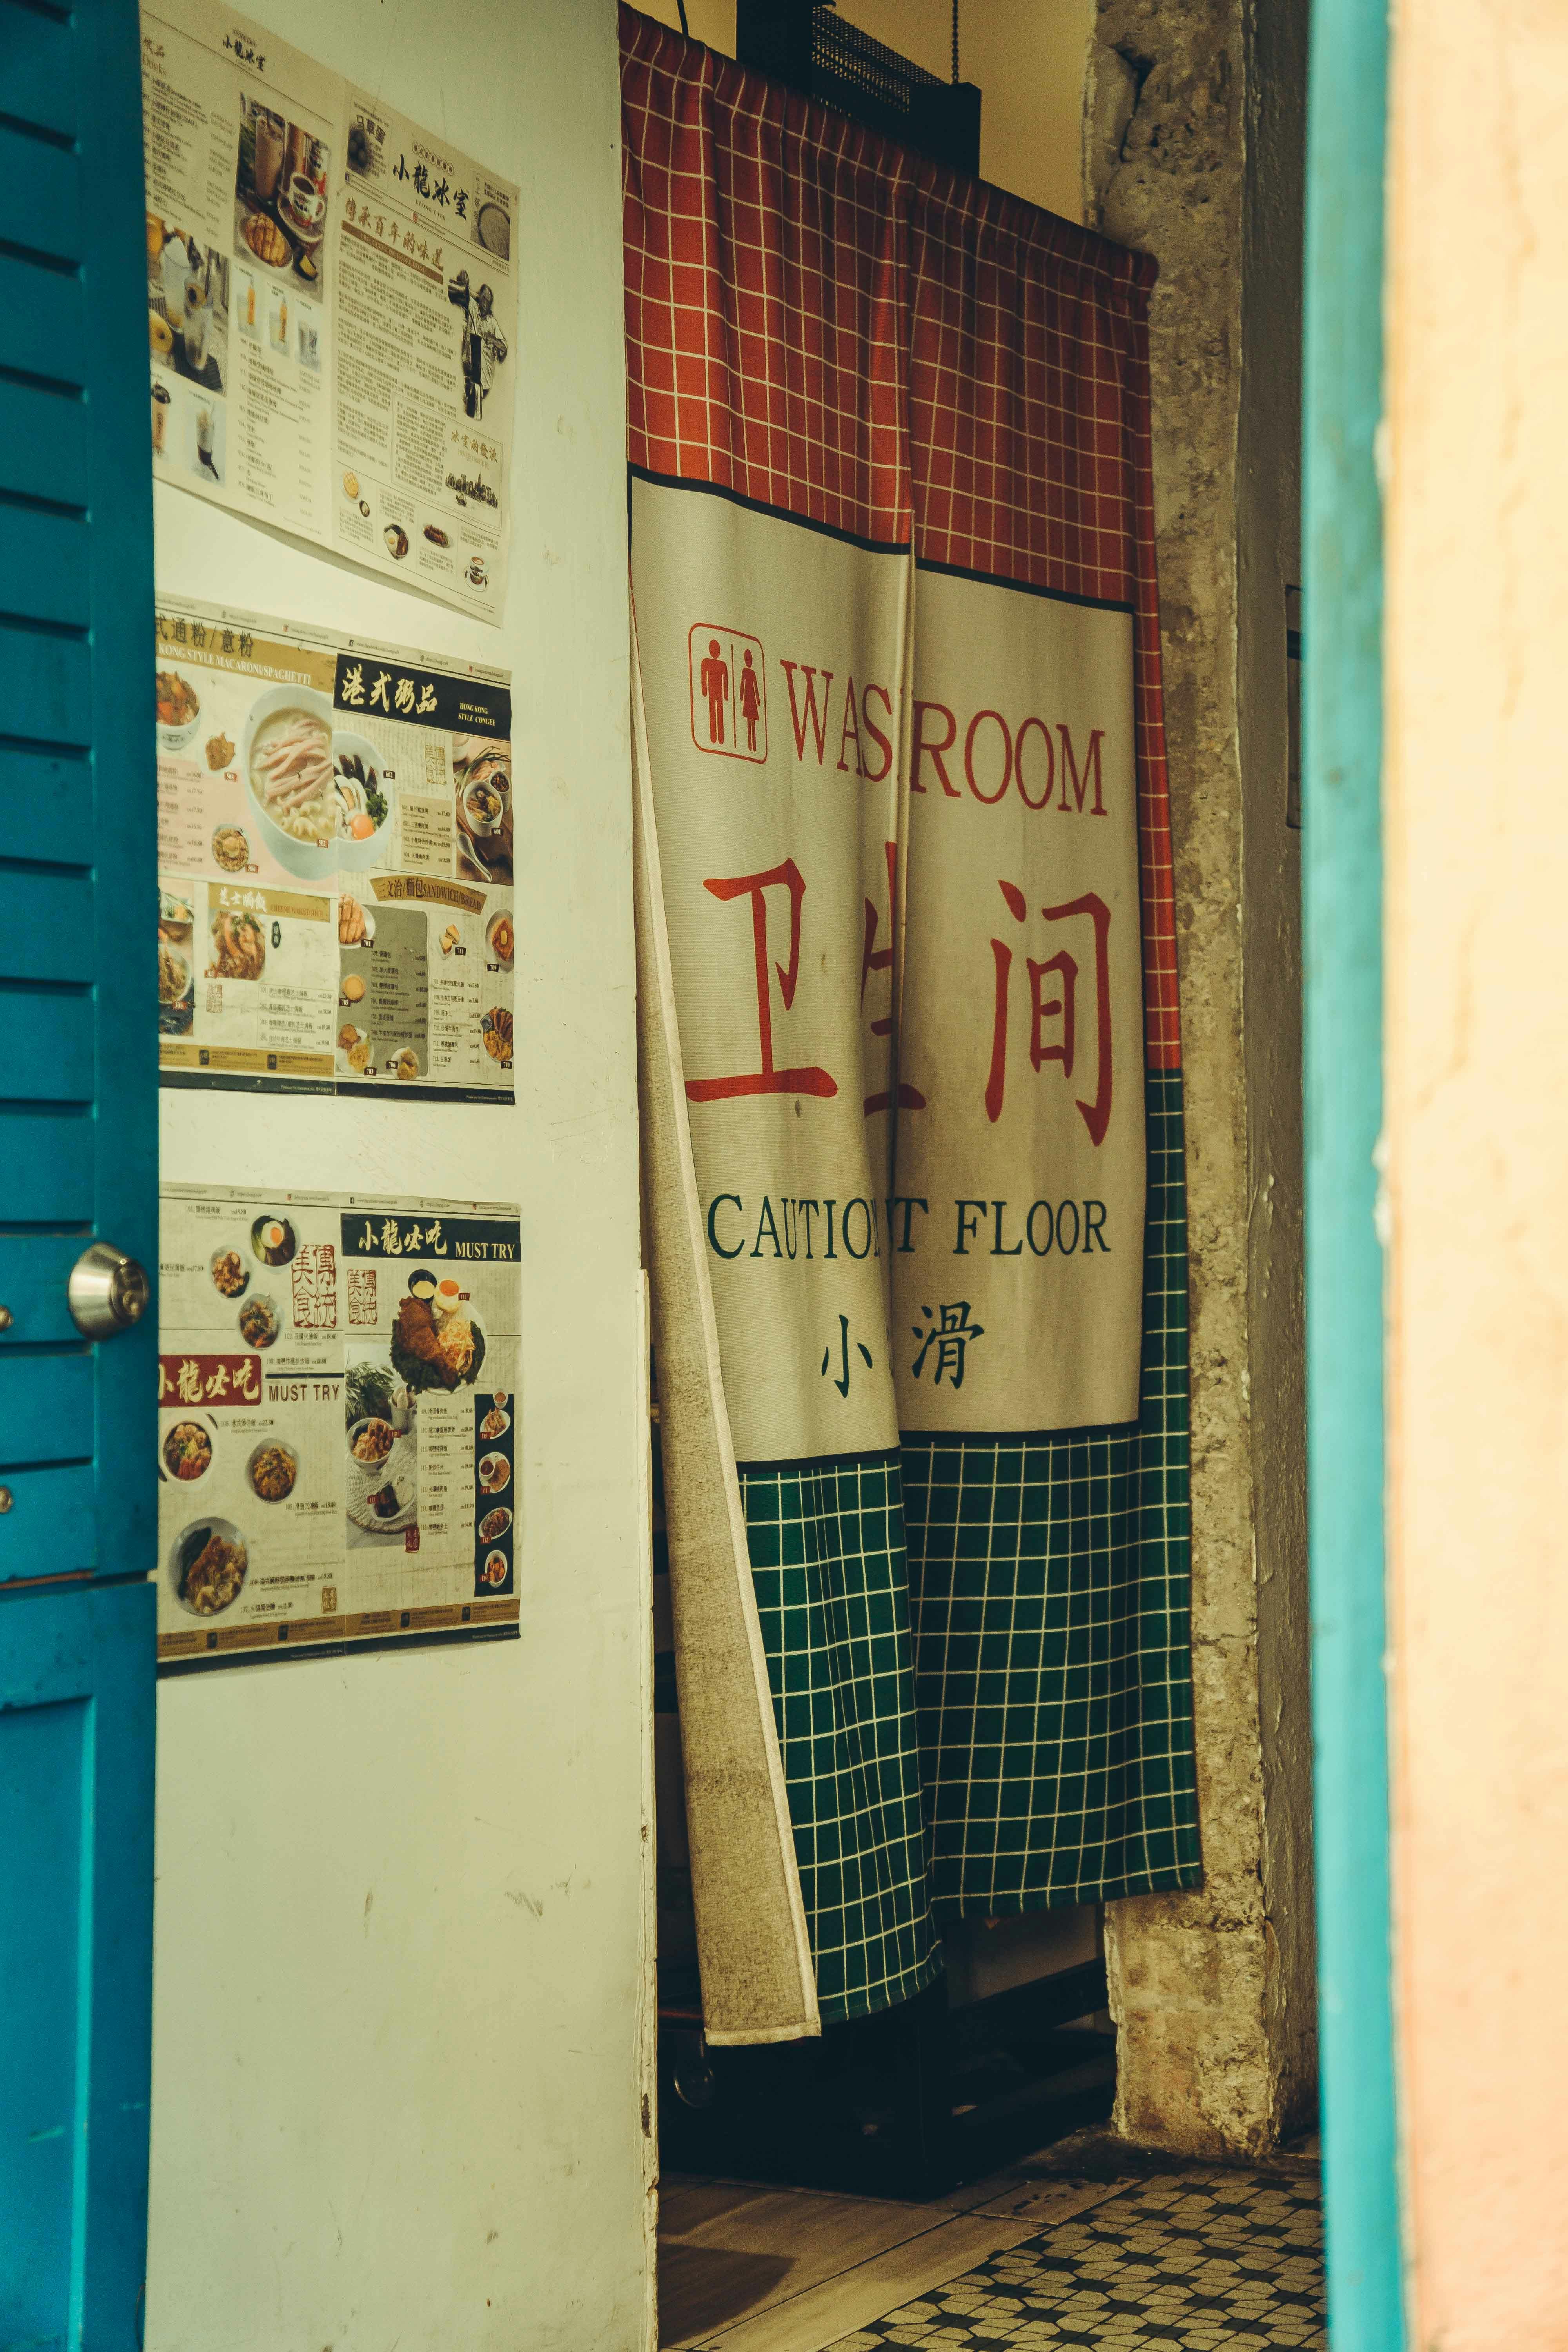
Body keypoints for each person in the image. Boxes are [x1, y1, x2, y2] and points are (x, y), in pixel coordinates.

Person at [448, 270, 509, 419]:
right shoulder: (474, 308)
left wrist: (493, 340)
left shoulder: (493, 323)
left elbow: (504, 347)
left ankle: (471, 409)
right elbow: (455, 292)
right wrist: (463, 283)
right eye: (483, 300)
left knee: (473, 413)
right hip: (470, 368)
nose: (485, 305)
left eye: (488, 302)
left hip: (484, 379)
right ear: (480, 299)